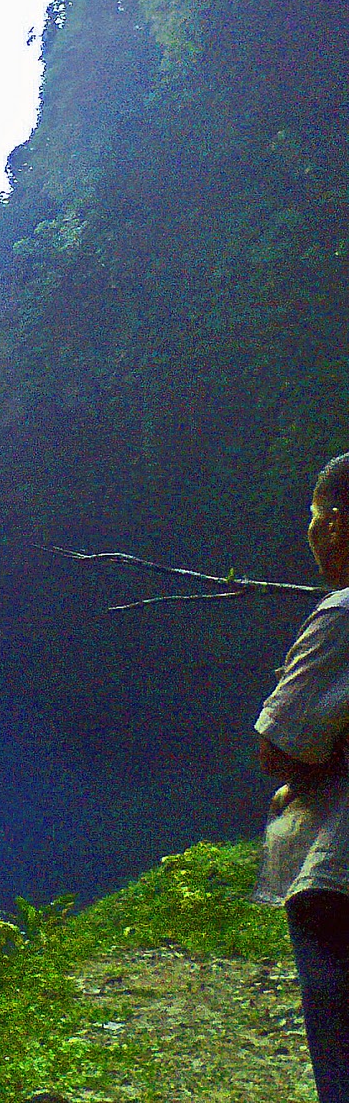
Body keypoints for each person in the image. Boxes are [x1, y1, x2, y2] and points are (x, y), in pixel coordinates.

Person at [255, 450, 349, 1103]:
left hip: (337, 875)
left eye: (315, 519)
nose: (311, 534)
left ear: (338, 523)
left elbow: (281, 746)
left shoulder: (342, 611)